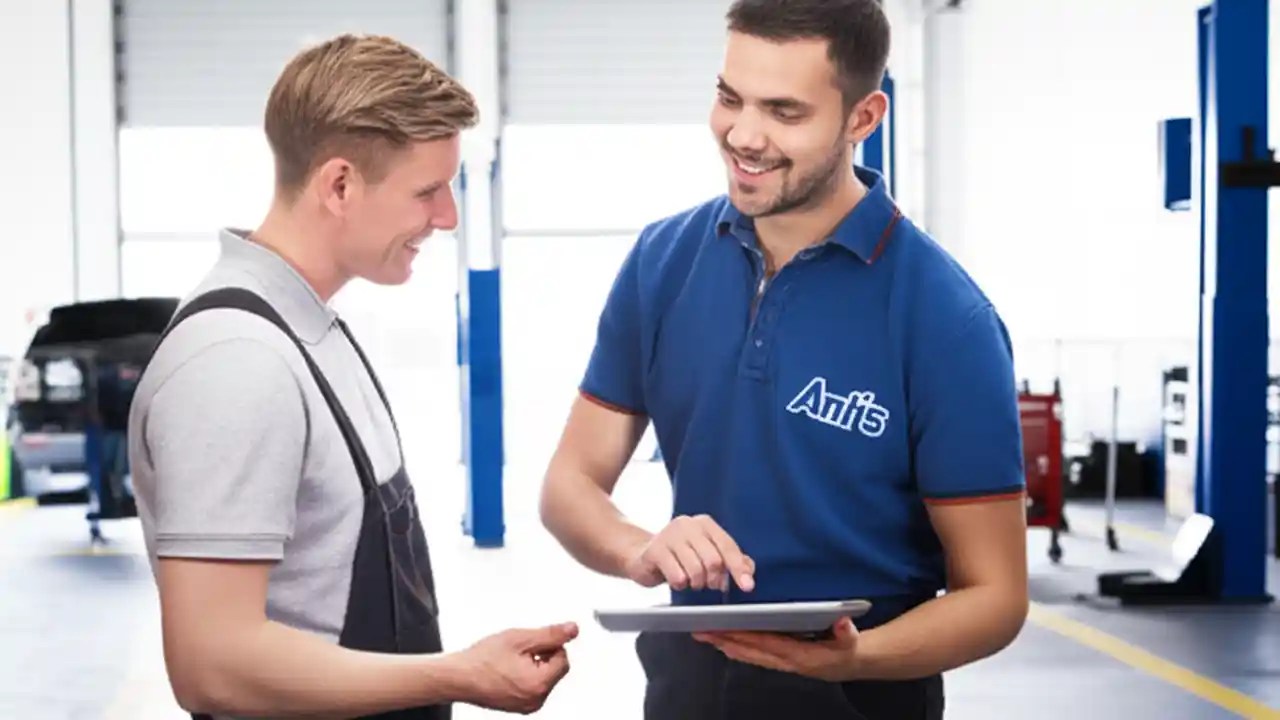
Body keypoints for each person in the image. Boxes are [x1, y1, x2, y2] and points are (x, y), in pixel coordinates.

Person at [539, 1, 1029, 718]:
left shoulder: (946, 319)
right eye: (729, 97)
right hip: (688, 686)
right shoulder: (661, 262)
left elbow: (996, 596)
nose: (744, 134)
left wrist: (856, 657)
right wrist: (639, 550)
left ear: (863, 118)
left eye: (784, 112)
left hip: (860, 697)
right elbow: (569, 484)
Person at [127, 34, 577, 720]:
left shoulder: (309, 331)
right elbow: (211, 664)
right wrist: (457, 675)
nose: (448, 217)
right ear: (339, 185)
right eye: (428, 191)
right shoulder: (237, 361)